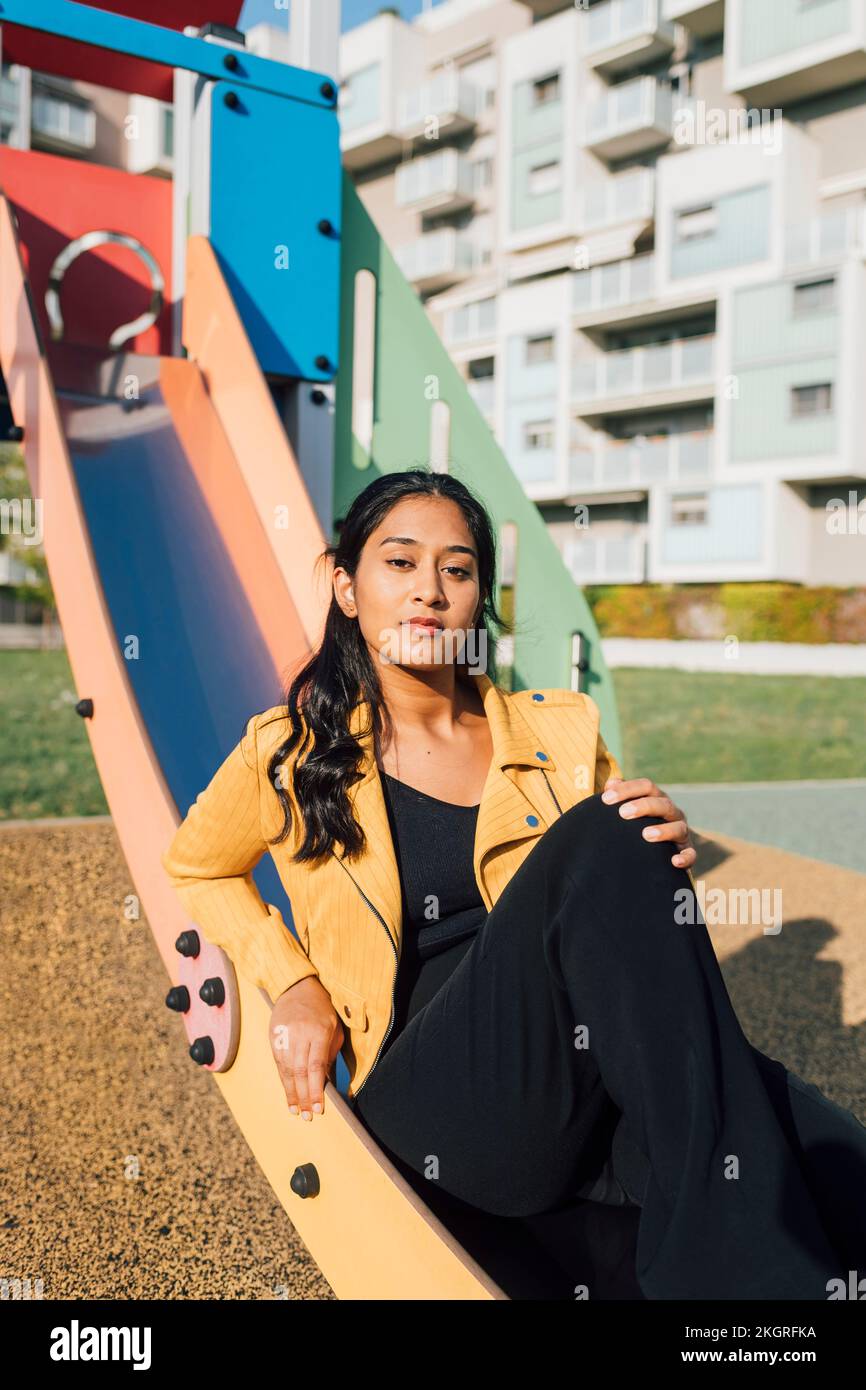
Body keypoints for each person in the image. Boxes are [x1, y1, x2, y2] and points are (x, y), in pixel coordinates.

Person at [162, 467, 866, 1301]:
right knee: (609, 840)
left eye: (457, 571)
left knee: (826, 1161)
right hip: (434, 1104)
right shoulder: (289, 747)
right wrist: (294, 982)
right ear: (347, 589)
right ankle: (725, 1291)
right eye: (400, 563)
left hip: (569, 1082)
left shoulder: (557, 730)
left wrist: (658, 843)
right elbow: (195, 865)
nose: (429, 591)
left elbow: (624, 937)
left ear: (477, 600)